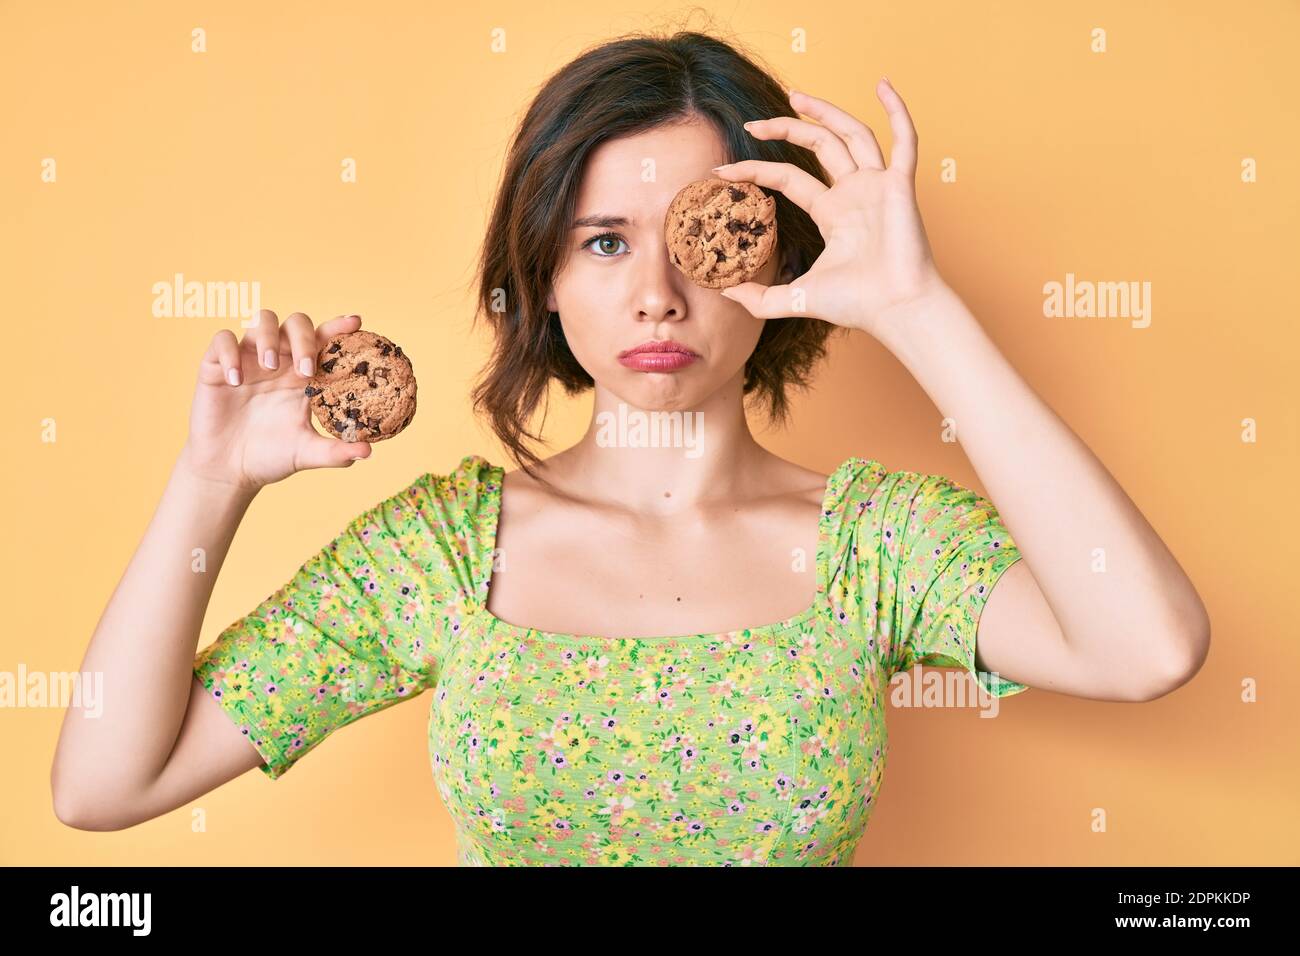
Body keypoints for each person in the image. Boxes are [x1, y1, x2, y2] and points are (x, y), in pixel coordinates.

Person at [51, 30, 1209, 865]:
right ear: (543, 278)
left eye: (694, 238)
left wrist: (915, 306)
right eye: (603, 242)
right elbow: (106, 786)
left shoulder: (874, 544)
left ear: (772, 258)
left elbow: (1147, 645)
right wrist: (213, 480)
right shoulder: (442, 553)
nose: (656, 294)